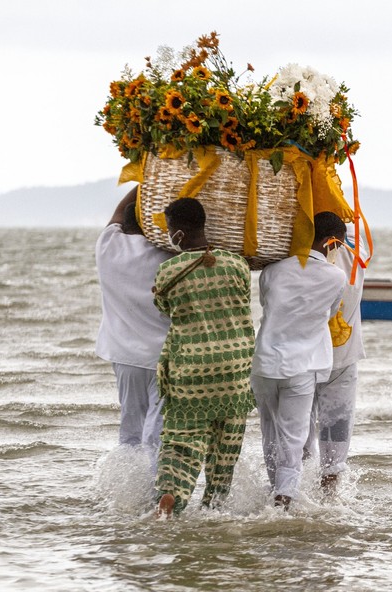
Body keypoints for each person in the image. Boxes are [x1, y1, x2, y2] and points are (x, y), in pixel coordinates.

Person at [152, 198, 255, 517]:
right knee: (225, 448)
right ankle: (215, 508)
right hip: (235, 370)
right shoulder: (237, 264)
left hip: (190, 371)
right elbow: (244, 300)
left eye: (169, 229)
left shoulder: (167, 271)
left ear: (178, 233)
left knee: (181, 441)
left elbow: (163, 308)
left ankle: (171, 494)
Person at [251, 212, 348, 510]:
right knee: (293, 438)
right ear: (332, 241)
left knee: (270, 432)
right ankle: (283, 501)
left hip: (265, 362)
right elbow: (330, 314)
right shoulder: (336, 276)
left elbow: (266, 303)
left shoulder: (273, 271)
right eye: (339, 245)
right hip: (303, 366)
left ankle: (274, 492)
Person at [95, 186, 172, 463]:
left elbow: (117, 212)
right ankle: (156, 493)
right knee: (158, 432)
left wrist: (143, 180)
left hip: (125, 358)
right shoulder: (167, 256)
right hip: (164, 357)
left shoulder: (106, 246)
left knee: (130, 430)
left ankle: (126, 493)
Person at [304, 222, 371, 495]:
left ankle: (292, 494)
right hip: (341, 359)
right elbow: (356, 222)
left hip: (302, 360)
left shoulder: (295, 260)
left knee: (298, 431)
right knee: (337, 428)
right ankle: (329, 496)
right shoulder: (356, 256)